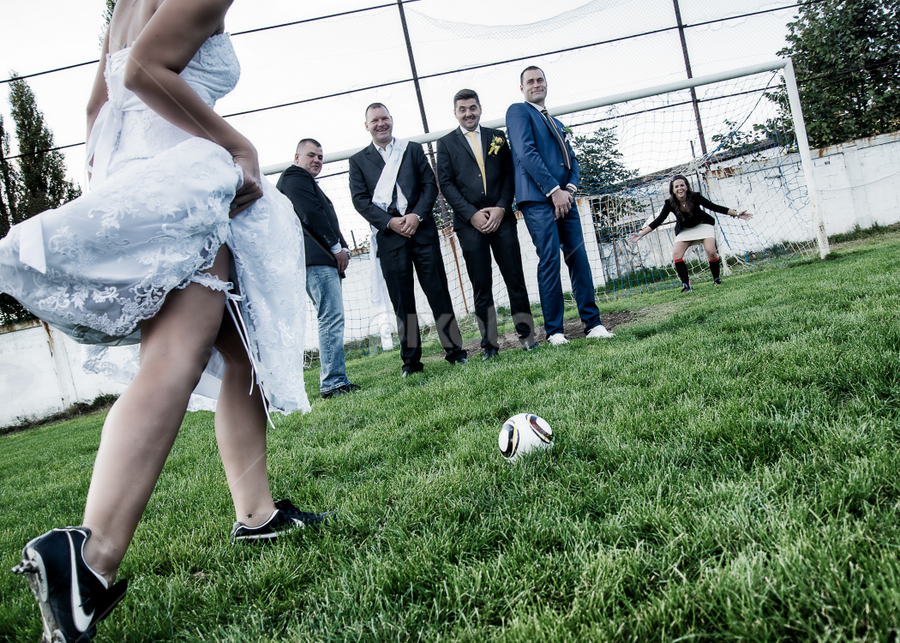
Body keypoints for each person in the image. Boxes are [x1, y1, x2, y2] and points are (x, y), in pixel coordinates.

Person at [1, 2, 328, 640]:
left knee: (243, 348)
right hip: (186, 178)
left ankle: (257, 514)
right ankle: (90, 558)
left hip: (147, 170)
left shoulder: (123, 6)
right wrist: (236, 146)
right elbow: (145, 69)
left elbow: (97, 107)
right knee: (175, 354)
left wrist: (120, 184)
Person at [349, 103, 467, 377]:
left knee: (439, 293)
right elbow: (360, 200)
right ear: (367, 126)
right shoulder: (358, 161)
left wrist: (417, 215)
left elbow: (429, 185)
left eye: (385, 118)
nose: (381, 124)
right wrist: (390, 222)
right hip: (390, 239)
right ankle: (411, 362)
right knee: (403, 303)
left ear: (392, 120)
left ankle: (455, 351)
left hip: (422, 232)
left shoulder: (411, 149)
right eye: (375, 120)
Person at [505, 66, 614, 346]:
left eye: (540, 80)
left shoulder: (556, 122)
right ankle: (555, 331)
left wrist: (569, 190)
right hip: (538, 199)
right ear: (522, 88)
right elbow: (526, 152)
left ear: (546, 84)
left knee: (579, 258)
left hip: (566, 198)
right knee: (550, 259)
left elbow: (572, 159)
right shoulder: (518, 111)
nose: (536, 84)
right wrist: (553, 190)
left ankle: (593, 324)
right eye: (530, 81)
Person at [436, 89, 536, 360]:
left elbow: (509, 174)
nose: (468, 113)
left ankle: (527, 336)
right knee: (481, 285)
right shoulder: (445, 144)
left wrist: (502, 207)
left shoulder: (497, 137)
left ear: (480, 108)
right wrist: (472, 215)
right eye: (463, 109)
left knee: (515, 279)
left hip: (501, 219)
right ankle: (489, 345)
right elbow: (446, 184)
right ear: (455, 113)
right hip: (469, 225)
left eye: (472, 108)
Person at [277, 138, 360, 399]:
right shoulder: (294, 177)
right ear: (297, 157)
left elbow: (327, 219)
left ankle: (335, 379)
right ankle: (333, 382)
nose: (317, 160)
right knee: (330, 317)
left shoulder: (306, 181)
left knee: (331, 316)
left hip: (320, 258)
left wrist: (344, 247)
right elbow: (312, 214)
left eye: (320, 157)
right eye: (311, 155)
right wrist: (336, 248)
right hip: (314, 258)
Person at [627, 174, 753, 292]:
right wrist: (641, 234)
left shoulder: (695, 196)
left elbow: (714, 207)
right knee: (676, 255)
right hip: (685, 230)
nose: (680, 188)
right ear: (673, 190)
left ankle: (716, 279)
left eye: (682, 185)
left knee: (711, 251)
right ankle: (686, 285)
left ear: (686, 187)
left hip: (703, 225)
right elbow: (658, 220)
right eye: (676, 186)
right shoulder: (669, 203)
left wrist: (737, 214)